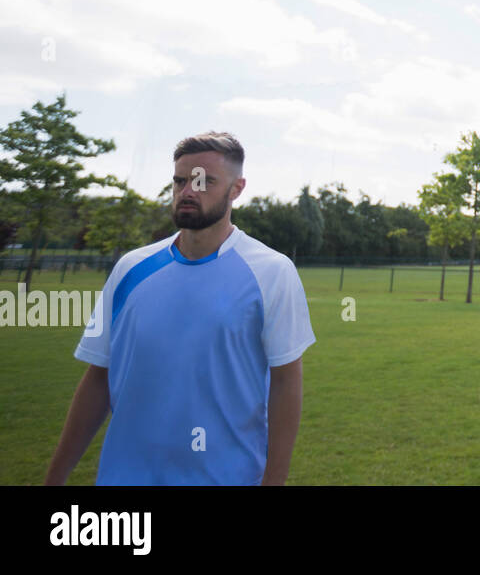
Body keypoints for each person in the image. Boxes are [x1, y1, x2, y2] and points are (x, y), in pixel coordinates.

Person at [45, 132, 315, 485]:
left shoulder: (272, 272)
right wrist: (55, 478)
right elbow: (98, 379)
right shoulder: (130, 269)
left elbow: (286, 383)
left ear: (236, 189)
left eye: (204, 181)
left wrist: (274, 481)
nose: (188, 190)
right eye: (180, 180)